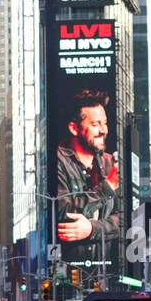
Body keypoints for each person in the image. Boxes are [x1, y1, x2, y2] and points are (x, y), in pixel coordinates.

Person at [56, 88, 120, 261]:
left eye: (105, 123)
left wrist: (92, 229)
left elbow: (126, 219)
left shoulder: (110, 163)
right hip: (67, 275)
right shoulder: (57, 162)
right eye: (95, 124)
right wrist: (107, 188)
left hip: (107, 273)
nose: (104, 130)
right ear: (74, 128)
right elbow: (64, 213)